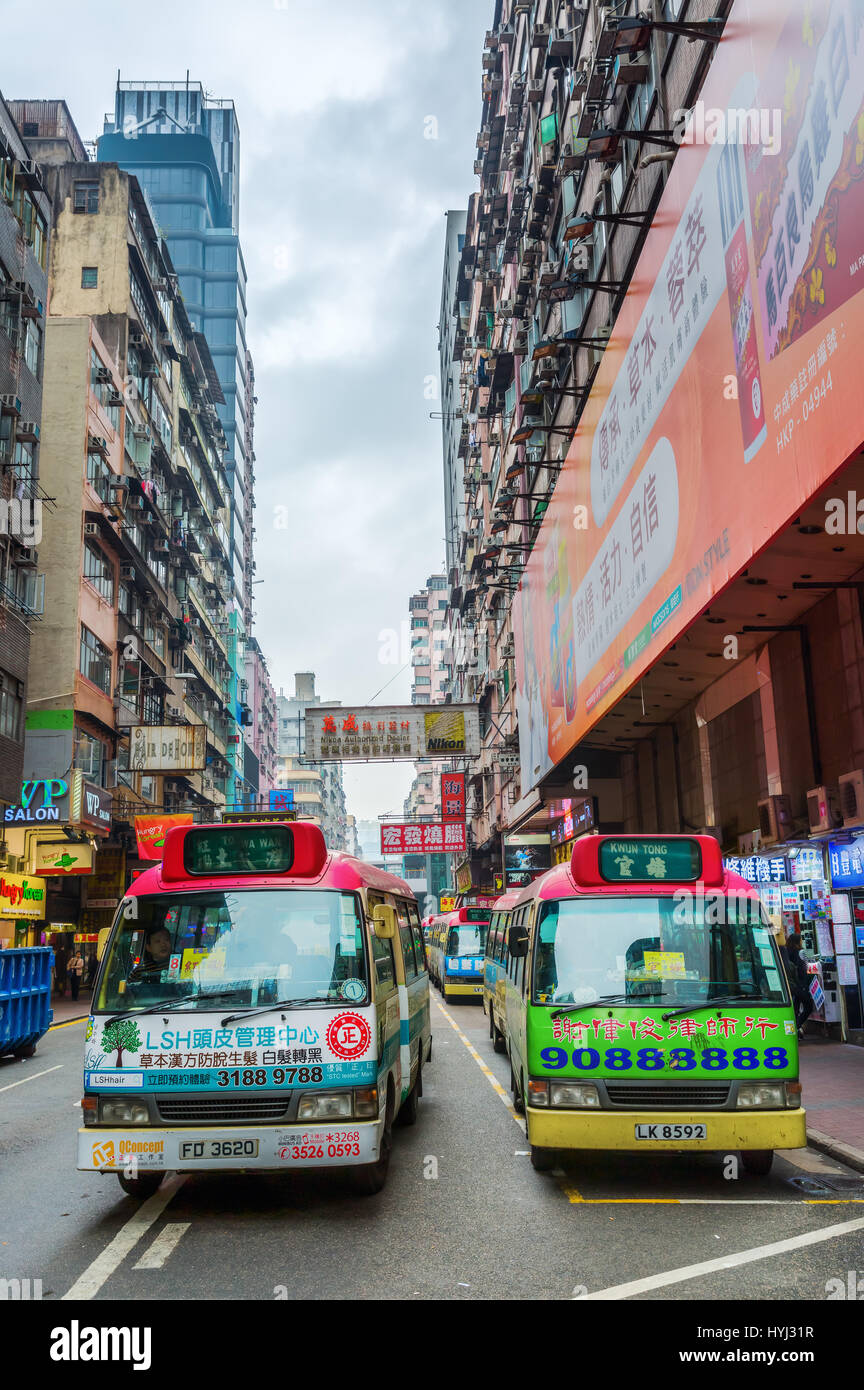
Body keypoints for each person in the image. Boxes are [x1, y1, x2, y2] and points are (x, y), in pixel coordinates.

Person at [785, 932, 814, 1036]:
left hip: (792, 984)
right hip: (801, 983)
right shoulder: (801, 952)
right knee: (808, 1006)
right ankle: (796, 1027)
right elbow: (807, 966)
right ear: (798, 941)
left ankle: (795, 1030)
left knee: (795, 1008)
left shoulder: (786, 952)